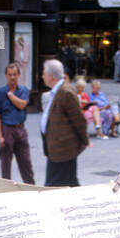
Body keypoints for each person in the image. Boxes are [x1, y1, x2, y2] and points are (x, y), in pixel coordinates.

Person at [42, 59, 87, 188]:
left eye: (44, 73)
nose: (42, 76)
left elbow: (79, 119)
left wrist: (84, 141)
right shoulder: (57, 91)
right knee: (69, 184)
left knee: (53, 186)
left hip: (63, 149)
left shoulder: (65, 92)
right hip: (56, 148)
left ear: (51, 76)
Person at [0, 63, 33, 183]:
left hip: (20, 129)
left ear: (18, 75)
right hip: (6, 129)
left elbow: (21, 105)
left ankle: (30, 187)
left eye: (14, 74)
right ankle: (6, 190)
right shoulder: (0, 92)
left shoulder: (23, 90)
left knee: (26, 162)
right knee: (6, 164)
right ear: (6, 76)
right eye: (10, 75)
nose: (12, 77)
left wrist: (10, 95)